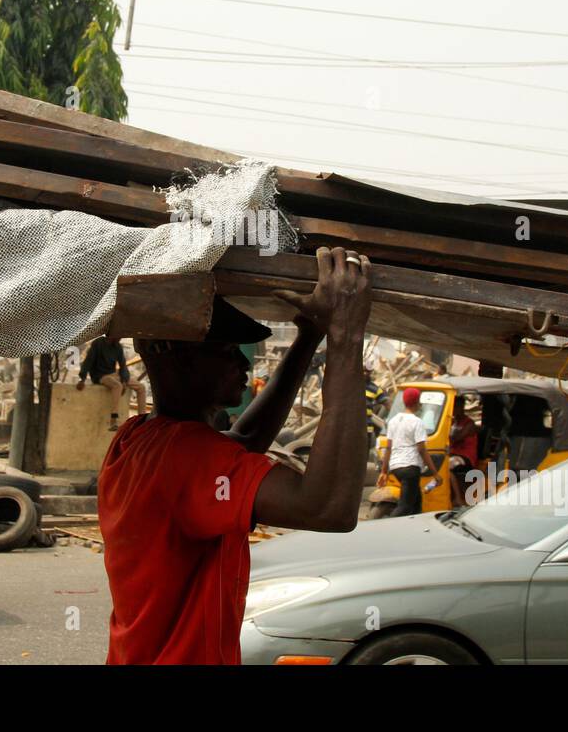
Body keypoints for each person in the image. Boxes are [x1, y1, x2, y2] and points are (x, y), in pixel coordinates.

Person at [98, 246, 371, 664]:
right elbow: (328, 507)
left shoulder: (136, 439)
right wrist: (346, 337)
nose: (241, 366)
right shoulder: (186, 455)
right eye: (226, 352)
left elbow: (244, 438)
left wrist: (309, 338)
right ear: (169, 356)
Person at [377, 387, 442, 517]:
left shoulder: (394, 421)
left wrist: (384, 471)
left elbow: (389, 448)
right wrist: (435, 473)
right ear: (417, 402)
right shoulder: (417, 422)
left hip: (396, 467)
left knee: (416, 504)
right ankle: (385, 529)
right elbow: (422, 449)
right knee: (405, 507)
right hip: (410, 468)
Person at [78, 331, 147, 431]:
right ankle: (113, 419)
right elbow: (88, 362)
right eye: (119, 336)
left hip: (113, 374)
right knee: (117, 386)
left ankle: (142, 419)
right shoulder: (98, 343)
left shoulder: (118, 347)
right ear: (112, 334)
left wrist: (124, 380)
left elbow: (123, 366)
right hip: (100, 376)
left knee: (141, 387)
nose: (120, 339)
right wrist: (82, 378)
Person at [447, 397, 480, 507]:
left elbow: (456, 438)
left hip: (466, 456)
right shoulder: (453, 422)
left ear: (461, 407)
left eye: (455, 407)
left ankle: (458, 498)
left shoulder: (469, 424)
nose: (453, 410)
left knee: (446, 466)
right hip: (452, 453)